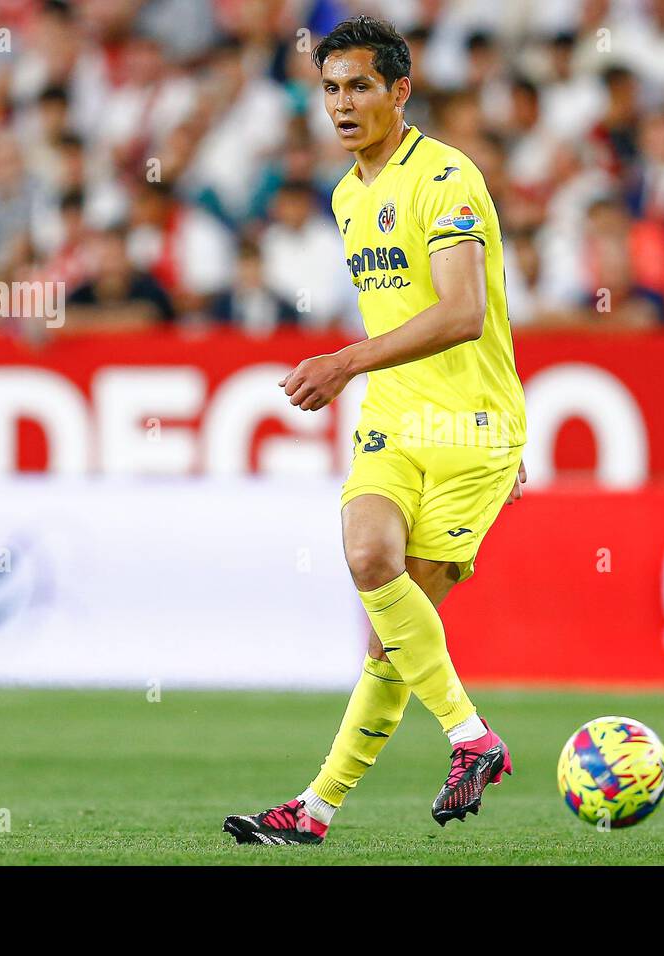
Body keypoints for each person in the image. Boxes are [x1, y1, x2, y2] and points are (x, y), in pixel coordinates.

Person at [224, 16, 527, 847]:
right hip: (396, 420)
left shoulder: (448, 177)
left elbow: (465, 314)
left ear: (400, 90)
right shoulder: (347, 194)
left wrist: (347, 361)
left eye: (360, 86)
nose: (343, 104)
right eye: (330, 88)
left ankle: (315, 810)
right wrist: (366, 373)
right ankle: (471, 737)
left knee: (393, 640)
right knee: (368, 560)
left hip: (468, 432)